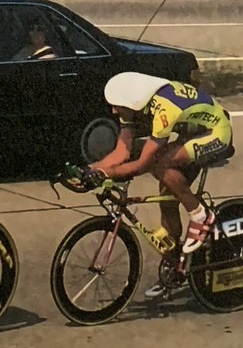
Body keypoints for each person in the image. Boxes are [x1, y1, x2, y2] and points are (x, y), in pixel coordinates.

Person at [87, 72, 233, 290]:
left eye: (117, 106)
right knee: (167, 200)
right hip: (194, 132)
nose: (113, 111)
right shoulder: (135, 105)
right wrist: (89, 170)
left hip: (216, 133)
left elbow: (142, 164)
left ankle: (200, 215)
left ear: (130, 102)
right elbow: (121, 153)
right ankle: (177, 266)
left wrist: (106, 175)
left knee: (161, 164)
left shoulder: (165, 108)